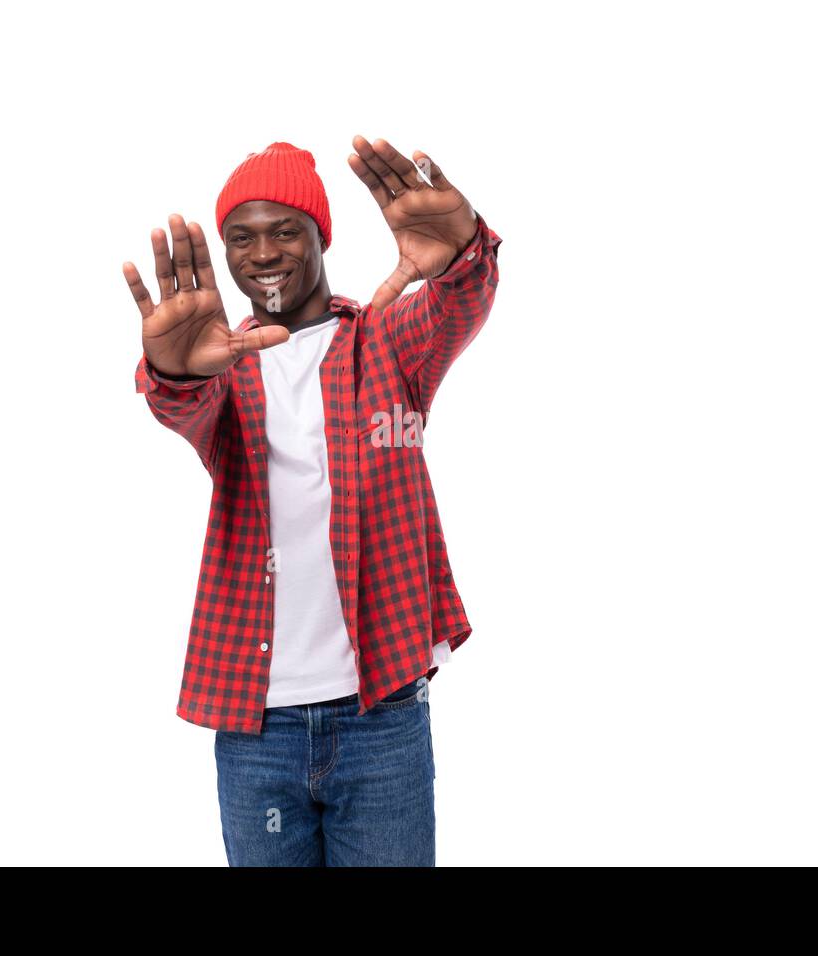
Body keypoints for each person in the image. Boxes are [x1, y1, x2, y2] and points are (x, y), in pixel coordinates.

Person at [124, 137, 502, 866]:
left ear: (320, 236)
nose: (262, 252)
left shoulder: (386, 343)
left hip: (381, 718)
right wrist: (170, 371)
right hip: (254, 728)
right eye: (242, 236)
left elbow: (459, 307)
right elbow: (182, 406)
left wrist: (464, 257)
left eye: (284, 230)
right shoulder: (220, 368)